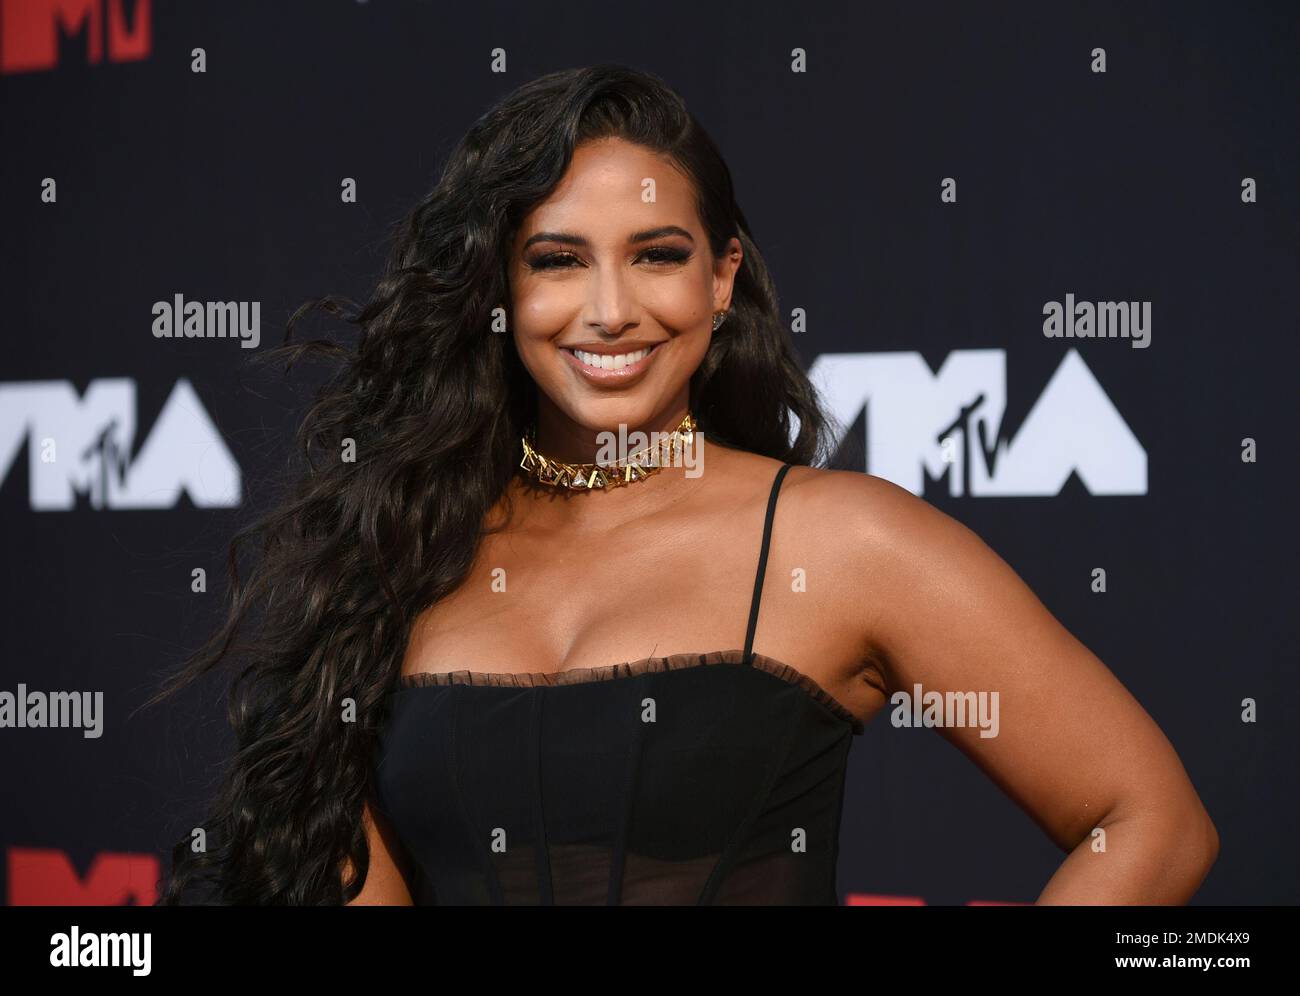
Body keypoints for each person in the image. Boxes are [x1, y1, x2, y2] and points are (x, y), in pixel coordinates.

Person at [153, 64, 1217, 906]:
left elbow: (1150, 822)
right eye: (558, 260)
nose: (610, 309)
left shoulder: (838, 543)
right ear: (498, 289)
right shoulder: (407, 549)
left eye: (656, 255)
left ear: (720, 278)